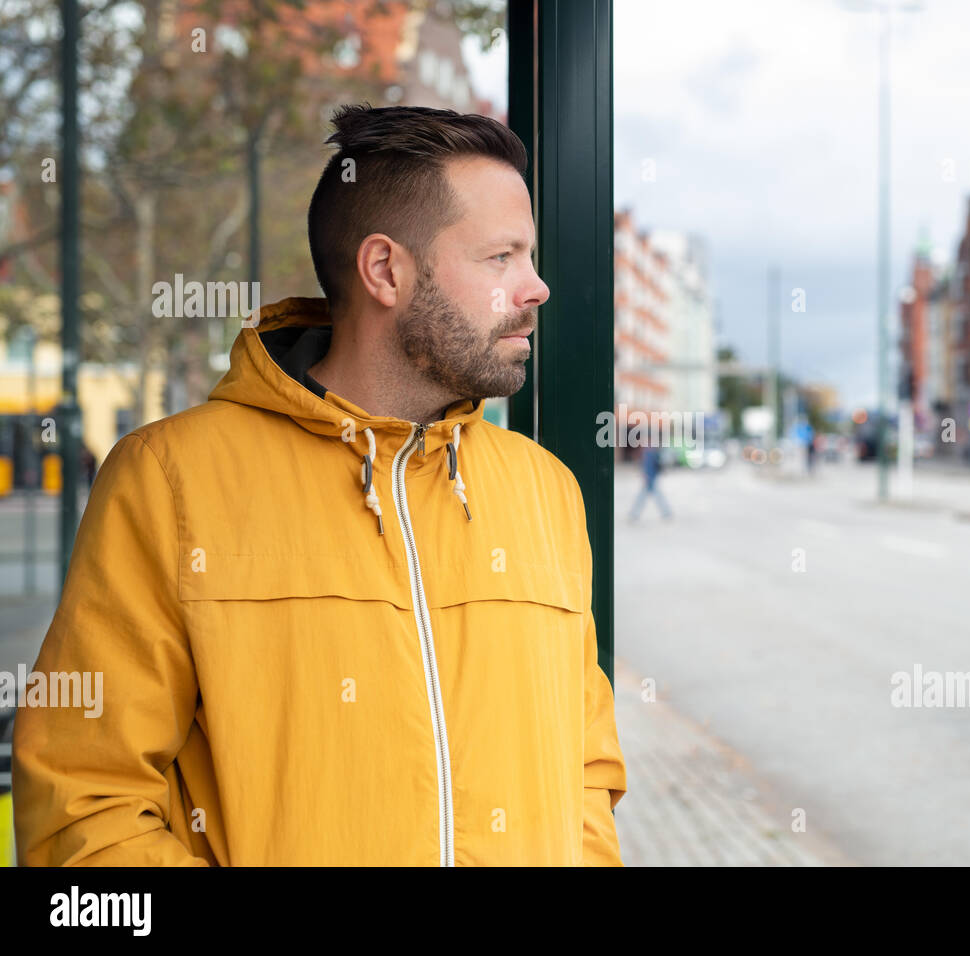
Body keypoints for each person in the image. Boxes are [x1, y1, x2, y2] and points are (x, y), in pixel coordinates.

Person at [13, 105, 627, 866]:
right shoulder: (171, 483)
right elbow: (81, 804)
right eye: (502, 257)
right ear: (385, 270)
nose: (536, 288)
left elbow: (586, 776)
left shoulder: (545, 491)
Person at [628, 443, 671, 521]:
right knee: (654, 496)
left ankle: (634, 514)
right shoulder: (651, 452)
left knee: (644, 497)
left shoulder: (648, 453)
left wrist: (647, 478)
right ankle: (666, 512)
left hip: (650, 479)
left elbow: (649, 467)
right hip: (652, 478)